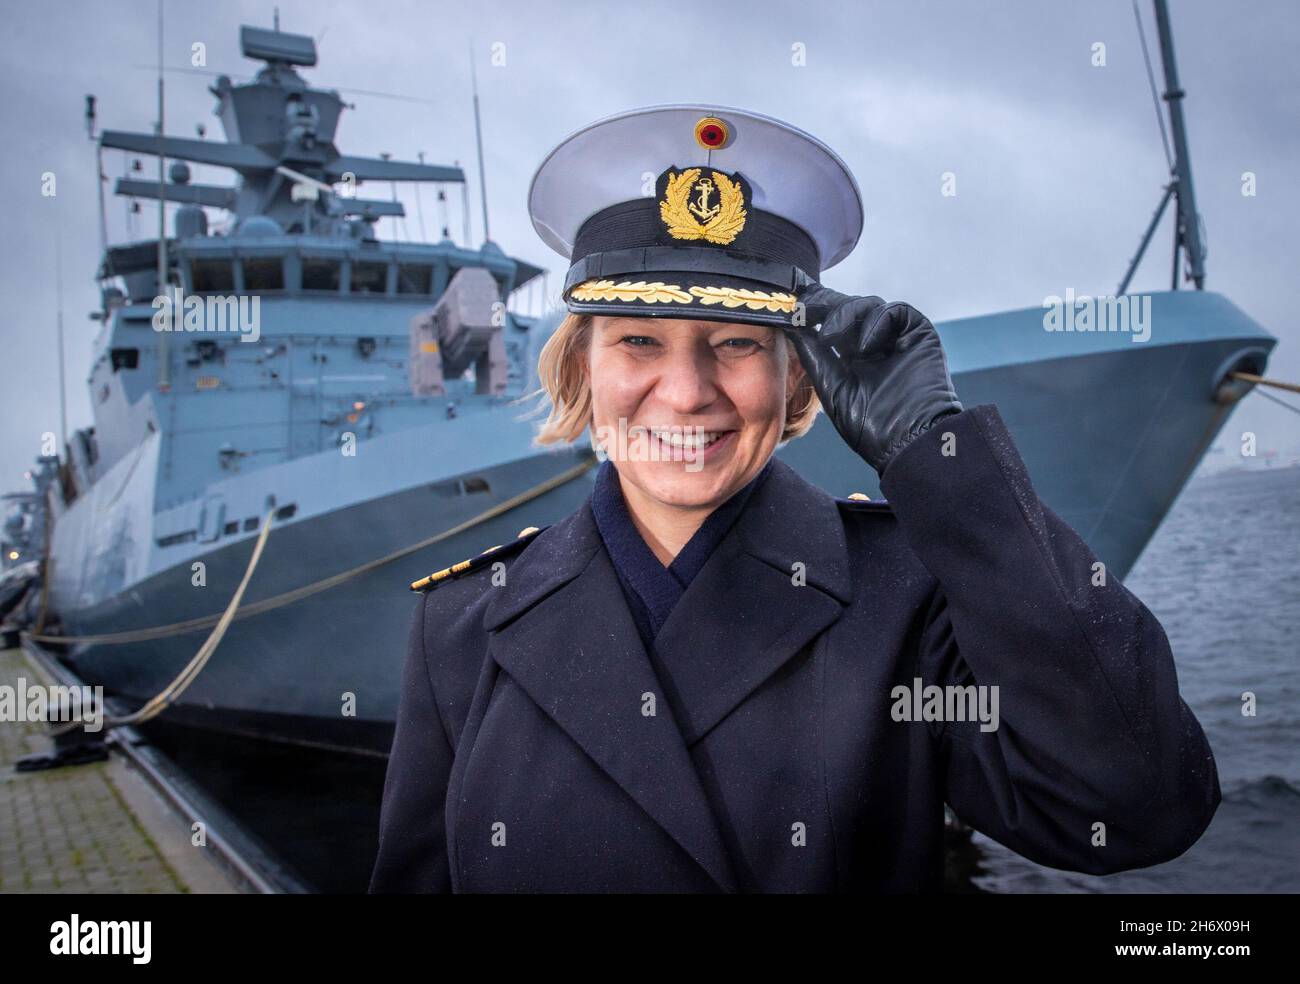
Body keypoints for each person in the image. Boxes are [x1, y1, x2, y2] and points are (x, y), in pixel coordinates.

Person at [368, 105, 1220, 893]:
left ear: (797, 376)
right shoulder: (464, 625)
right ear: (581, 368)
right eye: (637, 341)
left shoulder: (908, 602)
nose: (686, 391)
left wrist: (940, 454)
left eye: (737, 341)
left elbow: (1134, 808)